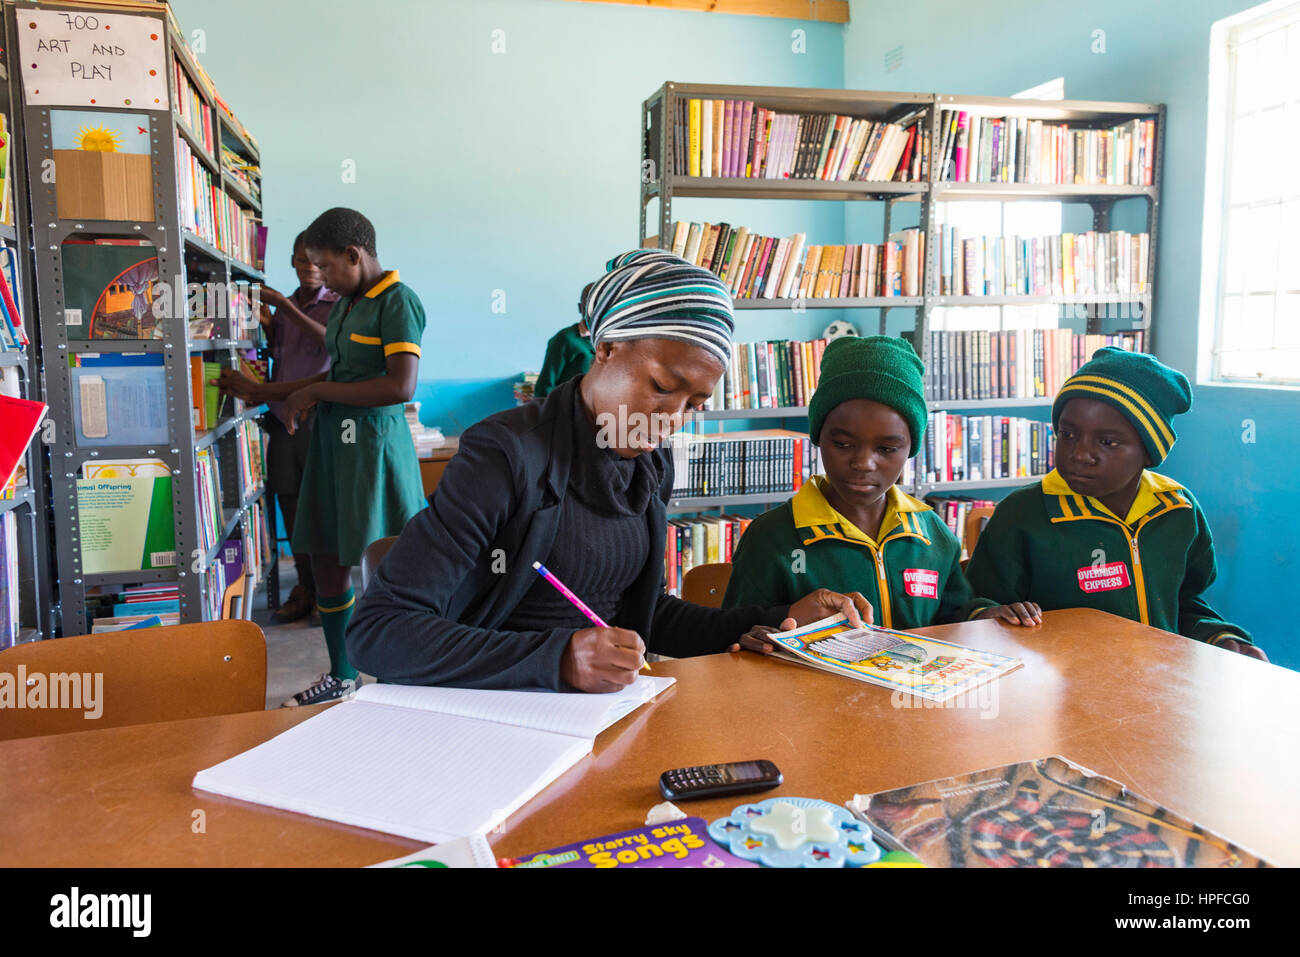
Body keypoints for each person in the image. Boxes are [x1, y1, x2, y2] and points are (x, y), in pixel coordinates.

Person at [347, 250, 873, 692]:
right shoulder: (505, 455)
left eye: (694, 403)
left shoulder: (649, 462)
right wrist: (558, 659)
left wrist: (778, 623)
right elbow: (378, 631)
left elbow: (647, 618)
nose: (672, 419)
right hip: (493, 718)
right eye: (663, 387)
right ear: (605, 348)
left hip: (599, 716)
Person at [217, 207, 431, 704]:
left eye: (328, 266)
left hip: (375, 450)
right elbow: (333, 377)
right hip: (334, 446)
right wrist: (280, 392)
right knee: (326, 559)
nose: (322, 278)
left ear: (354, 256)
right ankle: (342, 675)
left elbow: (400, 386)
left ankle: (406, 679)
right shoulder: (346, 305)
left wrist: (317, 395)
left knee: (390, 564)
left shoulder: (398, 302)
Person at [722, 335, 1041, 630]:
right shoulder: (771, 538)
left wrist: (982, 614)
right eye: (843, 444)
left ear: (909, 449)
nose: (863, 463)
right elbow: (737, 633)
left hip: (913, 689)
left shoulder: (932, 535)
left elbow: (951, 614)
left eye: (886, 449)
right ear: (819, 437)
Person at [965, 347, 1265, 660]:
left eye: (1107, 442)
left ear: (1149, 452)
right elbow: (978, 604)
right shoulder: (1023, 513)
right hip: (1058, 692)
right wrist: (989, 614)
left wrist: (1222, 638)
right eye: (1067, 434)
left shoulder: (1177, 510)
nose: (1080, 453)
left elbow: (1183, 603)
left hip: (1161, 683)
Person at [260, 231, 337, 623]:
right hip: (279, 422)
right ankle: (305, 587)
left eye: (315, 260)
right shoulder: (284, 306)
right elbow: (280, 356)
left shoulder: (339, 304)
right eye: (301, 259)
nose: (308, 266)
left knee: (319, 508)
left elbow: (330, 345)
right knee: (289, 502)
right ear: (291, 261)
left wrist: (283, 310)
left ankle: (330, 594)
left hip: (316, 420)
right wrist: (268, 325)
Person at [534, 297, 595, 400]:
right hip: (570, 410)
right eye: (592, 306)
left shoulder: (610, 340)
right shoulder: (566, 339)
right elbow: (544, 386)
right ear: (581, 308)